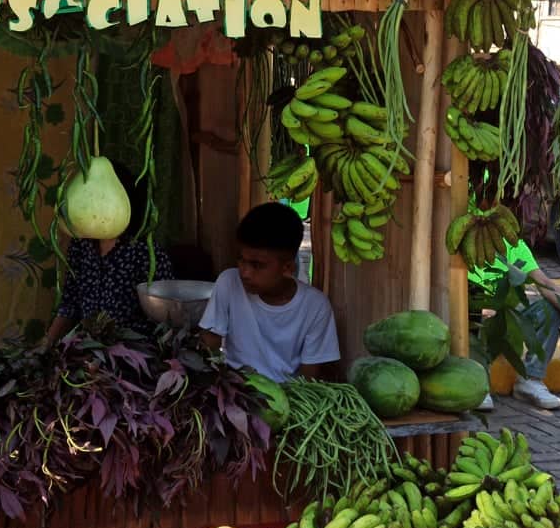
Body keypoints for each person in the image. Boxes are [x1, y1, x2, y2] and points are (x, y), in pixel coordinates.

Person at [200, 202, 339, 382]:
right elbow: (210, 340)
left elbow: (309, 377)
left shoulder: (315, 306)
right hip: (235, 390)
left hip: (288, 398)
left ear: (287, 267)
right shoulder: (229, 282)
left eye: (257, 265)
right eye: (241, 260)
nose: (245, 272)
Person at [44, 160, 174, 342]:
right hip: (88, 348)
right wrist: (46, 344)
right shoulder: (82, 246)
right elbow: (70, 303)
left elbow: (165, 317)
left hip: (134, 350)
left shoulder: (147, 253)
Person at [472, 238, 560, 412]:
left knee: (551, 309)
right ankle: (478, 383)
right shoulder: (464, 241)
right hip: (472, 321)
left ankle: (530, 379)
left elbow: (544, 283)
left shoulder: (511, 243)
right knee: (473, 314)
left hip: (506, 320)